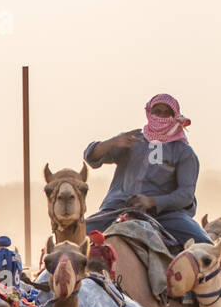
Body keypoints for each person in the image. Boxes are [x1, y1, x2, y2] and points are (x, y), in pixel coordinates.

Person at [82, 93, 211, 248]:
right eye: (157, 111)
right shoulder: (132, 140)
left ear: (174, 116)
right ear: (149, 113)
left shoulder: (183, 152)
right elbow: (91, 157)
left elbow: (186, 195)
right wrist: (113, 142)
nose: (161, 116)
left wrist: (152, 201)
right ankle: (49, 271)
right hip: (118, 208)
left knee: (204, 246)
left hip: (165, 215)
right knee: (76, 239)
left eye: (166, 113)